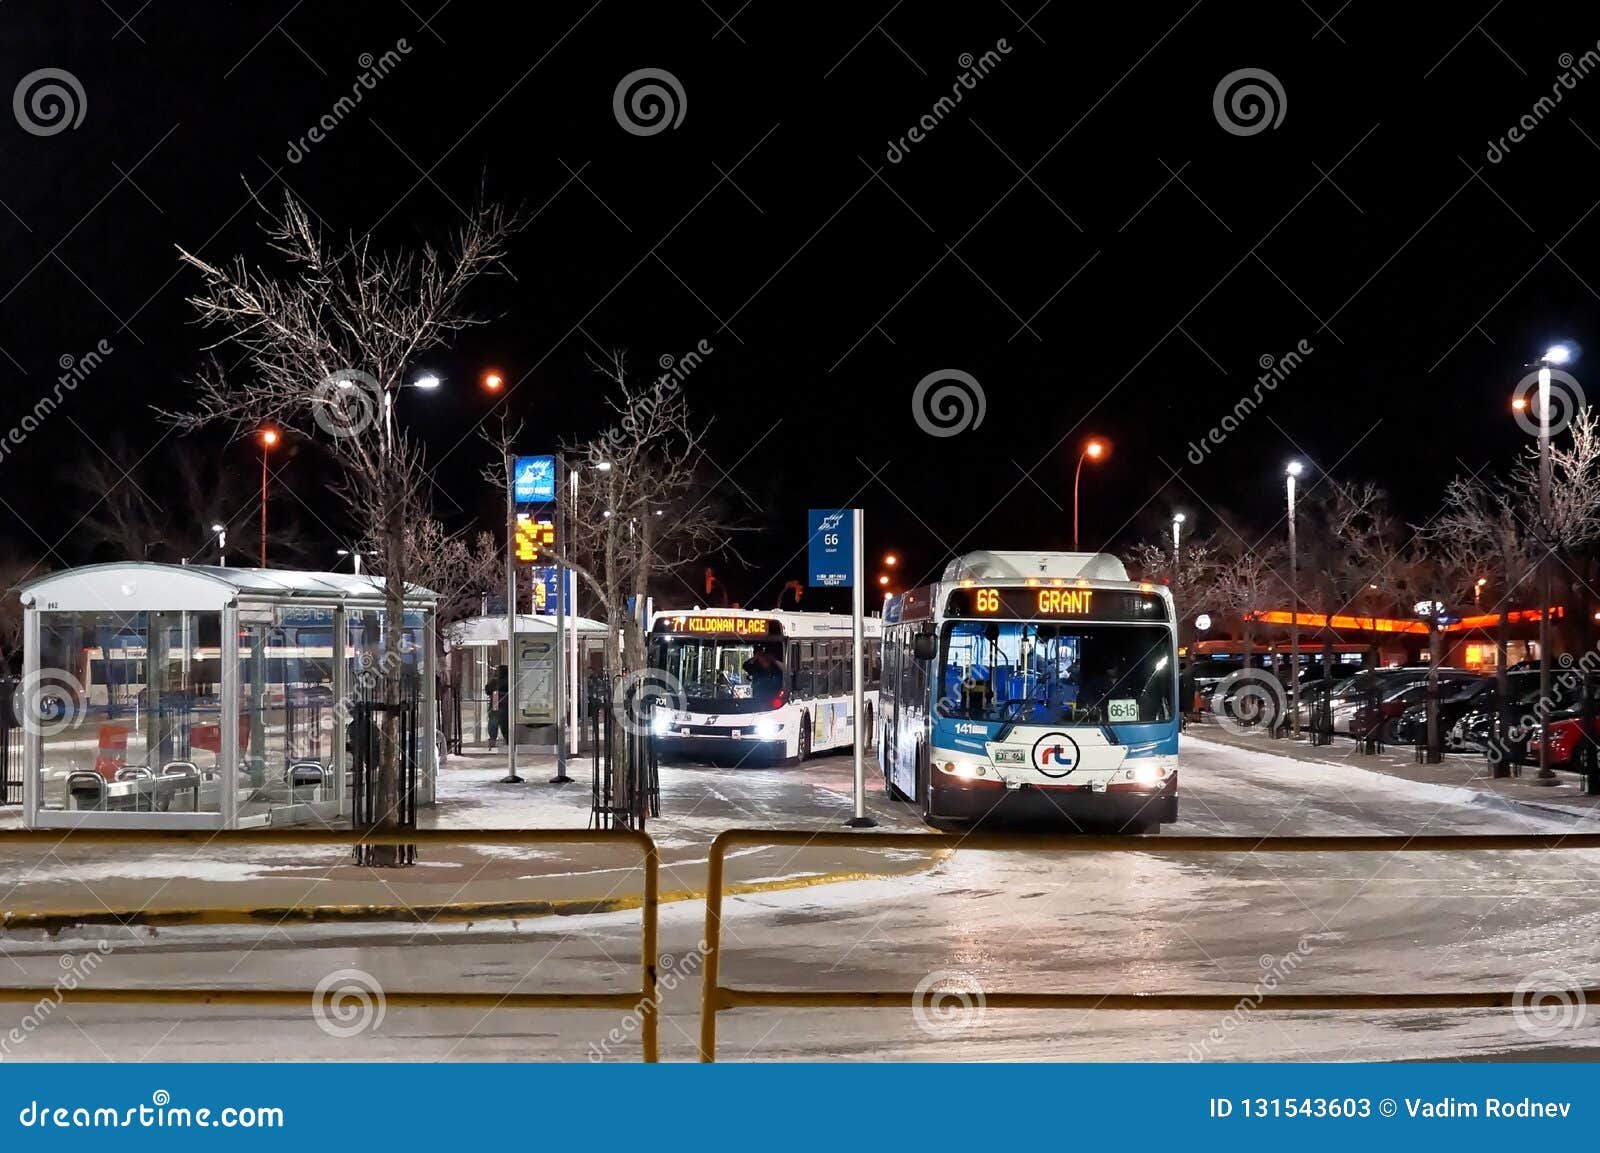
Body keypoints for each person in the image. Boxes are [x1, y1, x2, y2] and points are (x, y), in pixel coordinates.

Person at [487, 664, 508, 750]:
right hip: (506, 704)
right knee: (505, 723)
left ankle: (492, 740)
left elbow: (488, 690)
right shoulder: (509, 680)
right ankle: (508, 740)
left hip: (496, 702)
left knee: (493, 722)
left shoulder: (495, 681)